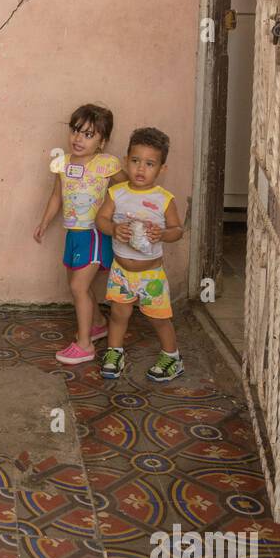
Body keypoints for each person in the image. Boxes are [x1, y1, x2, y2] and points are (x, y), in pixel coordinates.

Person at [33, 104, 124, 364]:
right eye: (75, 131)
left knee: (78, 286)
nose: (78, 138)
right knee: (75, 285)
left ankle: (85, 345)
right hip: (73, 234)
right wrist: (44, 222)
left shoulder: (107, 164)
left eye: (88, 134)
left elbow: (127, 188)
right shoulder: (62, 164)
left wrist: (125, 214)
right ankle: (97, 324)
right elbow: (56, 197)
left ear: (101, 142)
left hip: (94, 234)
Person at [95, 126, 184, 382]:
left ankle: (172, 356)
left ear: (161, 169)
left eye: (149, 163)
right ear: (126, 161)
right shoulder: (117, 193)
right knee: (119, 314)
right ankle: (114, 353)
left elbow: (177, 230)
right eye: (135, 161)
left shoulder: (163, 199)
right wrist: (113, 228)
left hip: (151, 275)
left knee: (159, 318)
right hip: (122, 272)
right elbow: (100, 219)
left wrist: (162, 234)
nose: (140, 169)